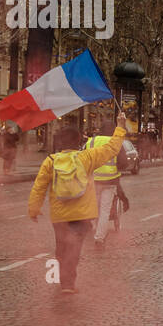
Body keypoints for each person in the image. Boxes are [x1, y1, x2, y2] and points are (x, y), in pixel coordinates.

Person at [28, 113, 128, 295]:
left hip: (59, 215)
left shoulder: (50, 162)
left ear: (59, 143)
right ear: (78, 142)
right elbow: (113, 148)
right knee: (74, 247)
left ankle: (63, 279)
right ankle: (68, 284)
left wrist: (34, 209)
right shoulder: (86, 158)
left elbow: (39, 187)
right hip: (82, 215)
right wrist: (120, 126)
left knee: (61, 247)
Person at [84, 132, 128, 249]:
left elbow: (83, 159)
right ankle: (99, 238)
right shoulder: (116, 142)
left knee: (96, 208)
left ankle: (95, 229)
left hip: (94, 180)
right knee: (105, 211)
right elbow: (124, 163)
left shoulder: (91, 141)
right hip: (110, 181)